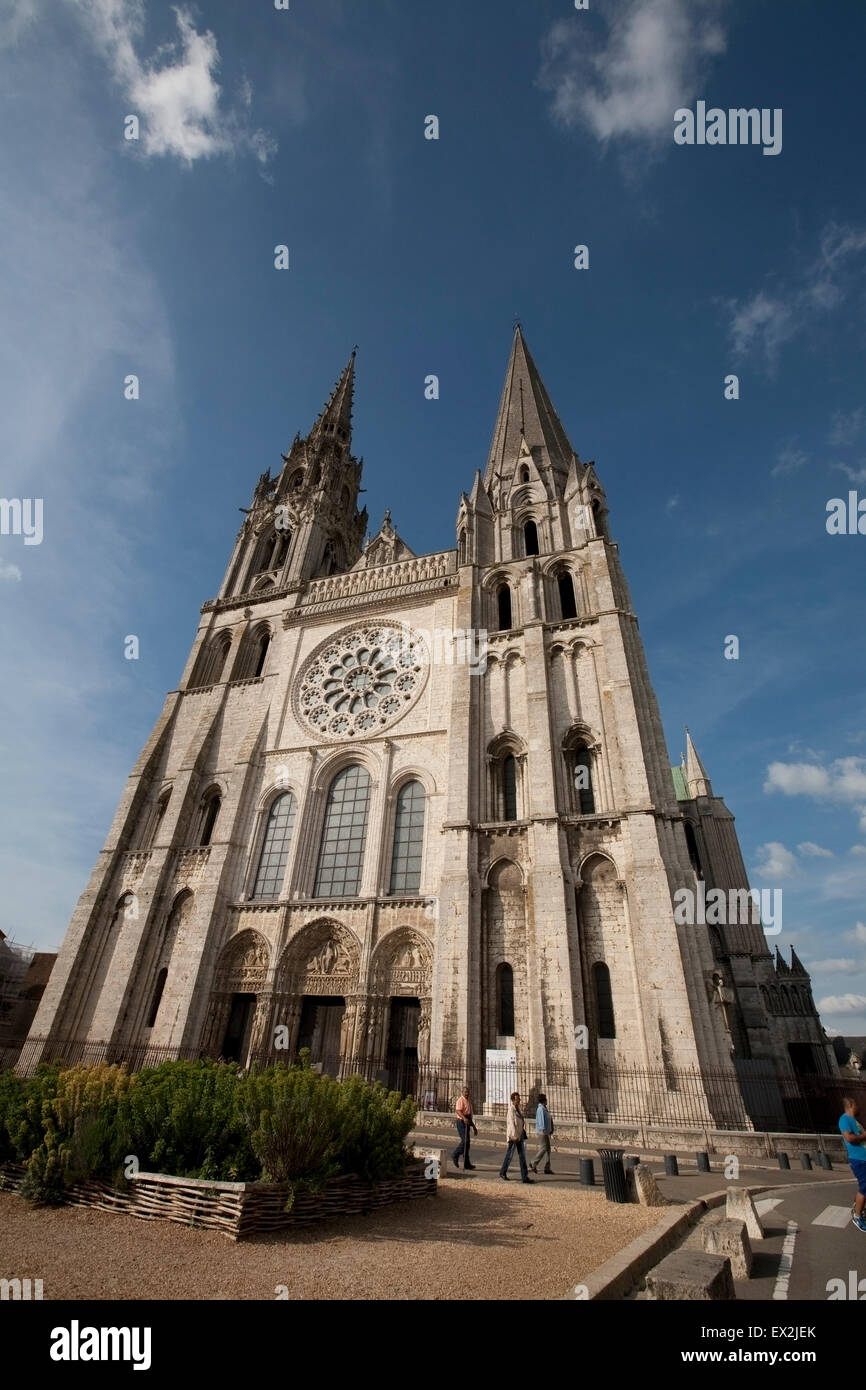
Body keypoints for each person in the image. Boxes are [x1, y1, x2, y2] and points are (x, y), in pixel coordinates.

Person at [839, 1097, 866, 1231]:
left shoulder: (854, 1121)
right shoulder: (845, 1119)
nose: (859, 1107)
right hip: (858, 1159)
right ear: (851, 1105)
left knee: (864, 1186)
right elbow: (849, 1137)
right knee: (865, 1187)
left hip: (863, 1158)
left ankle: (858, 1206)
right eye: (857, 1105)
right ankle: (857, 1215)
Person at [499, 1091, 533, 1182]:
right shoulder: (511, 1110)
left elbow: (520, 1121)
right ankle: (503, 1172)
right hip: (513, 1137)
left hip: (519, 1136)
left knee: (522, 1156)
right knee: (509, 1155)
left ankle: (524, 1177)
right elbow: (511, 1124)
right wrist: (514, 1136)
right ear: (513, 1100)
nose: (518, 1100)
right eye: (517, 1099)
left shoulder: (518, 1110)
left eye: (519, 1099)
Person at [452, 1086, 478, 1170]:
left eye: (468, 1092)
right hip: (461, 1122)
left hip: (467, 1121)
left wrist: (474, 1127)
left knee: (467, 1144)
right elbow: (458, 1110)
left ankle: (467, 1163)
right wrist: (464, 1118)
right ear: (462, 1092)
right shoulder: (460, 1100)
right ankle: (455, 1154)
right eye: (465, 1092)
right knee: (465, 1141)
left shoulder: (468, 1101)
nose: (467, 1093)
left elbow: (469, 1116)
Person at [530, 1092, 554, 1175]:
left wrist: (550, 1129)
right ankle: (533, 1163)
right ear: (544, 1100)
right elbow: (541, 1121)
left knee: (548, 1150)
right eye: (546, 1099)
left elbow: (548, 1119)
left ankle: (547, 1168)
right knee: (544, 1148)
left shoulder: (544, 1108)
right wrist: (543, 1130)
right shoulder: (540, 1109)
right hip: (542, 1132)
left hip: (546, 1132)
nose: (547, 1101)